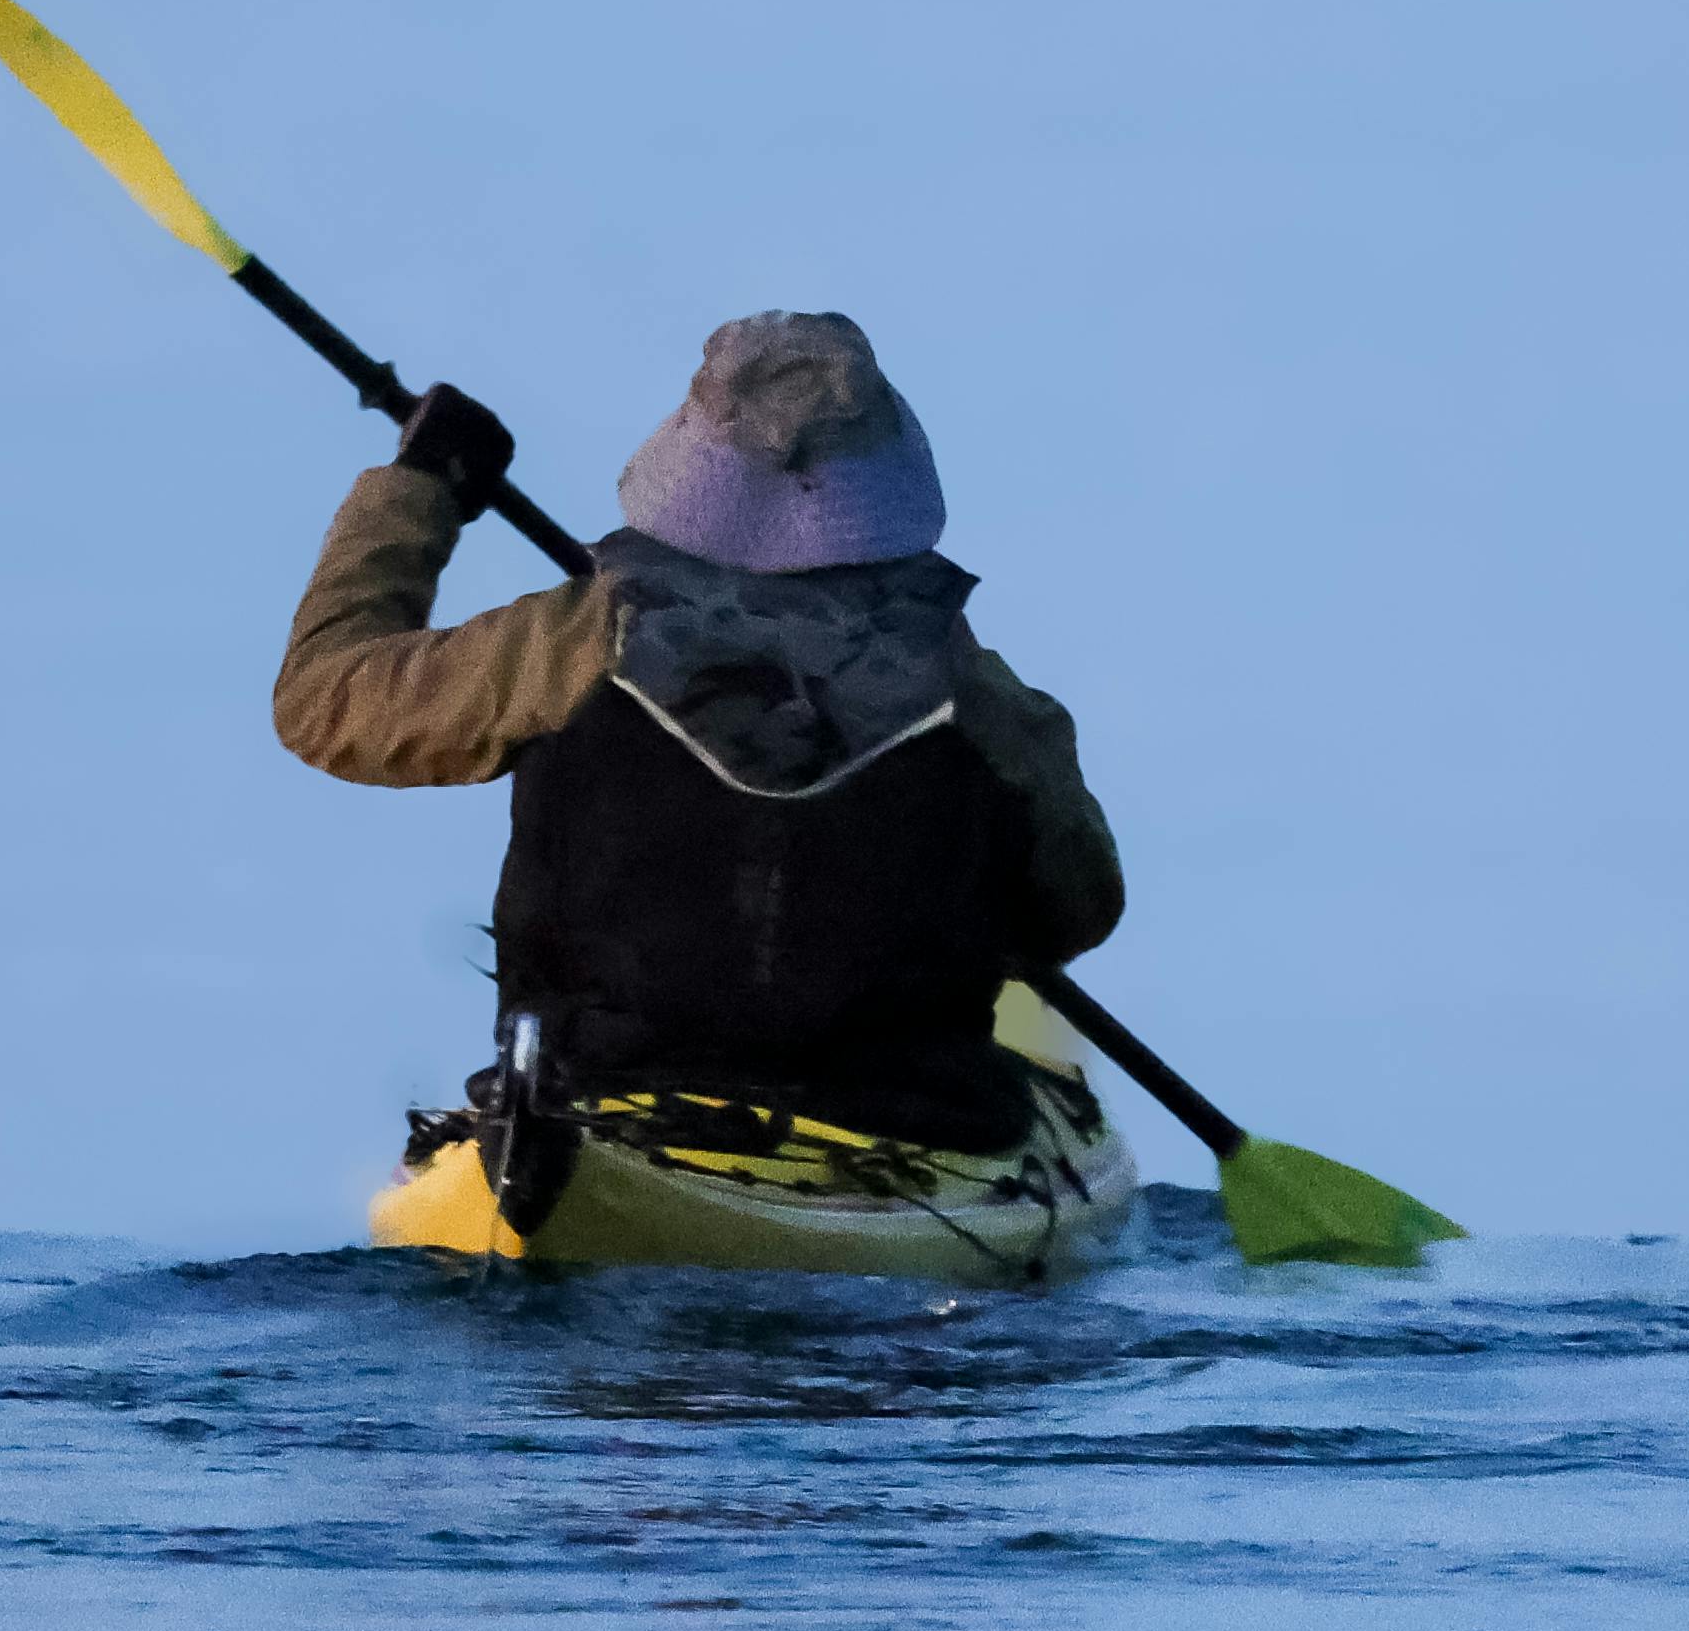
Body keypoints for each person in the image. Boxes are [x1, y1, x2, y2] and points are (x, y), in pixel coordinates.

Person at [272, 308, 1128, 1168]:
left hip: (590, 1105)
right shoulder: (976, 695)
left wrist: (420, 487)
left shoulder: (574, 643)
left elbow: (321, 700)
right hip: (907, 1121)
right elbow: (1078, 910)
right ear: (883, 489)